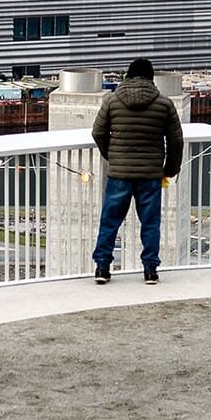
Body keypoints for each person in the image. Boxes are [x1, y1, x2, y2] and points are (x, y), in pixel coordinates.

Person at [90, 57, 184, 286]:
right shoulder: (164, 104)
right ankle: (150, 270)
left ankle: (102, 267)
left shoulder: (112, 101)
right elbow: (176, 141)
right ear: (151, 78)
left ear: (127, 76)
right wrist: (170, 169)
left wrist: (111, 156)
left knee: (110, 221)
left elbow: (98, 132)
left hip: (119, 173)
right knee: (150, 223)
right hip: (150, 174)